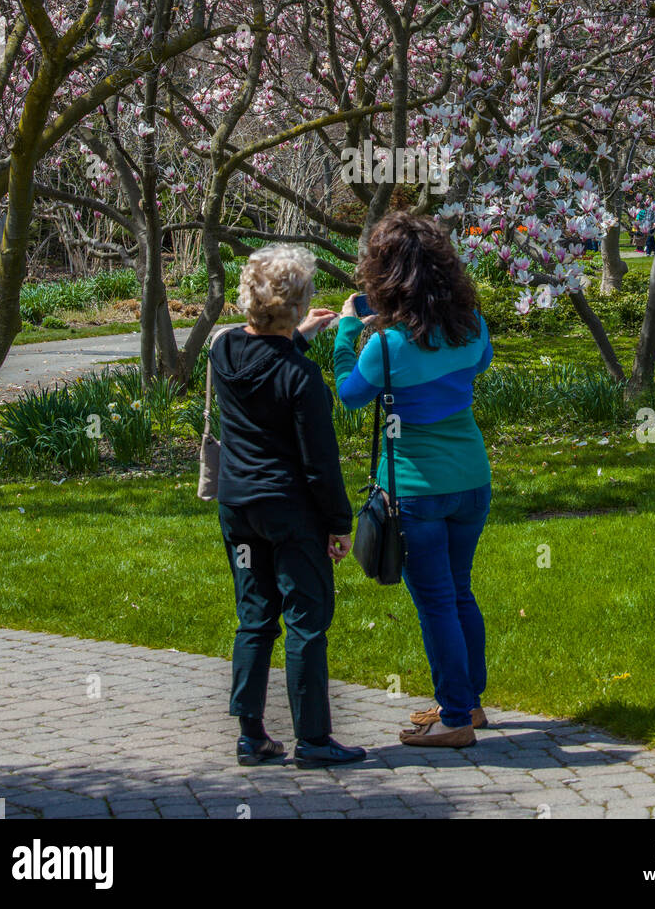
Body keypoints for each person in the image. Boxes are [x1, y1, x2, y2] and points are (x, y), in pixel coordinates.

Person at [334, 212, 494, 749]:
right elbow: (479, 366)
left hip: (417, 490)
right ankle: (469, 704)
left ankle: (453, 718)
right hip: (472, 478)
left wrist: (345, 332)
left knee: (436, 602)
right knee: (460, 590)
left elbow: (350, 395)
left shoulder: (387, 348)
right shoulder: (474, 325)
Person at [210, 244, 366, 769]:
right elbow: (320, 465)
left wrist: (300, 336)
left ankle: (250, 734)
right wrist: (339, 525)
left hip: (238, 506)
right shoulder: (303, 381)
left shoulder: (223, 352)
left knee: (254, 617)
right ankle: (315, 740)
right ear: (297, 305)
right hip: (289, 511)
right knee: (305, 619)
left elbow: (262, 354)